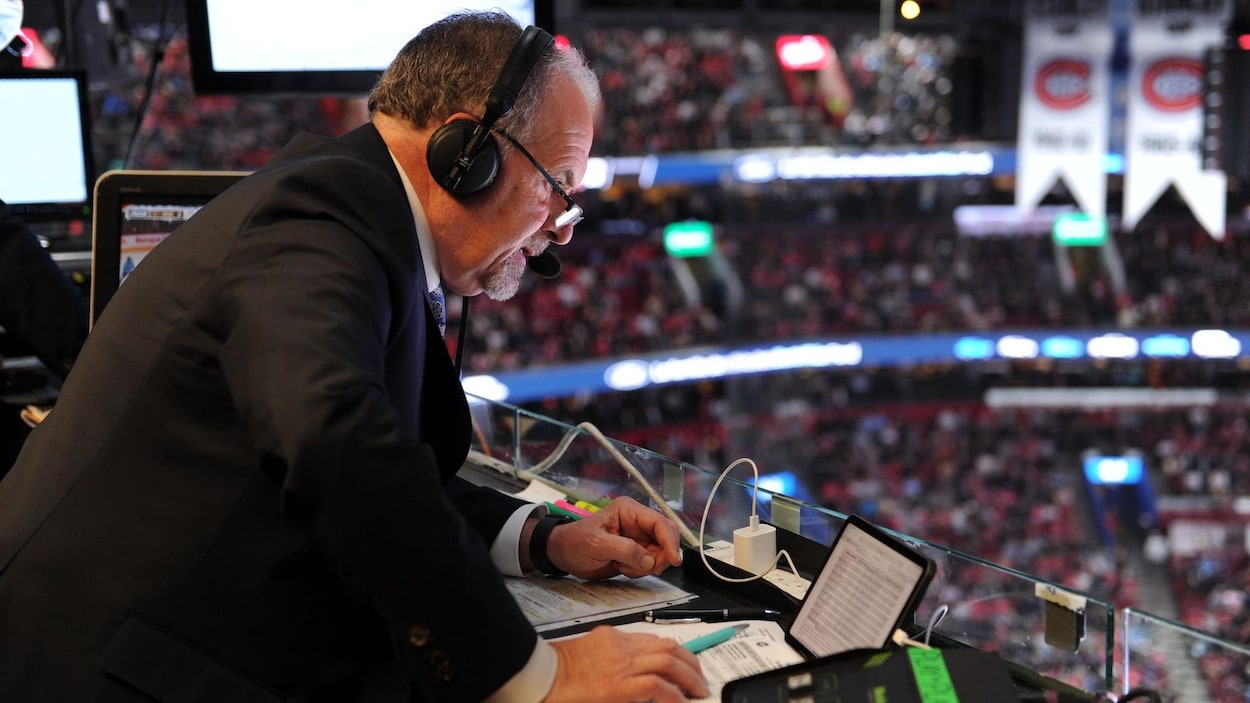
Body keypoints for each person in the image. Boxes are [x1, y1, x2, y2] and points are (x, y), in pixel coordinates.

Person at [0, 11, 708, 702]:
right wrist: (536, 676)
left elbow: (382, 460)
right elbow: (337, 439)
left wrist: (545, 538)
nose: (557, 234)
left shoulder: (357, 213)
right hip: (107, 666)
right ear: (469, 154)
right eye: (559, 190)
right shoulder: (320, 220)